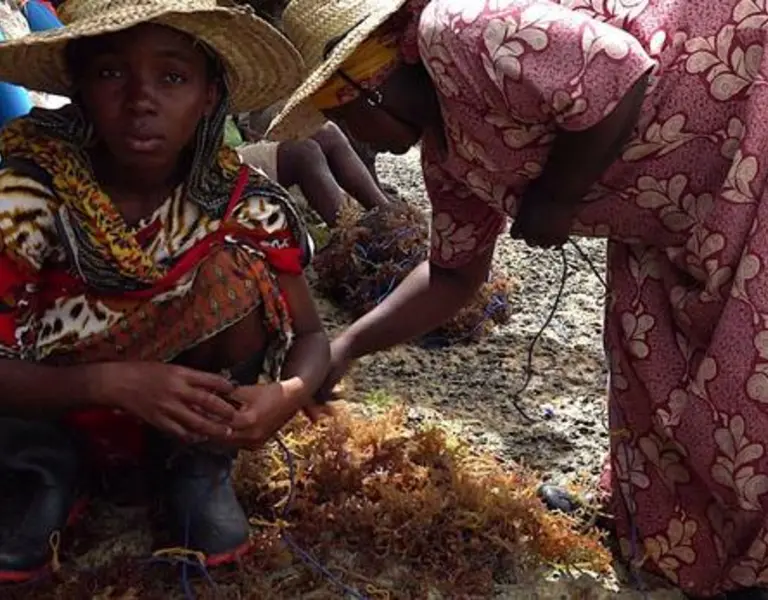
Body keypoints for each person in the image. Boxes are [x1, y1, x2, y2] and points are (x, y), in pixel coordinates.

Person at [265, 0, 768, 597]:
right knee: (646, 356)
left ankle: (751, 568)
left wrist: (557, 195)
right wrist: (347, 347)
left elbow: (619, 69)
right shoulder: (449, 157)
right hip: (666, 212)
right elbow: (453, 275)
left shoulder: (456, 27)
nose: (351, 135)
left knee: (744, 380)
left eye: (341, 117)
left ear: (363, 84)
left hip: (742, 131)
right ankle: (662, 533)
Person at [0, 0, 330, 584]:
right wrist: (112, 381)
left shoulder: (242, 202)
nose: (140, 100)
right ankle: (44, 470)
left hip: (176, 418)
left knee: (238, 269)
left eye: (173, 77)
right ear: (78, 85)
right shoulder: (27, 190)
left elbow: (309, 336)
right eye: (110, 73)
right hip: (43, 406)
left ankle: (196, 471)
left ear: (209, 97)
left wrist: (286, 395)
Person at [238, 120, 391, 226]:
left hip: (237, 147)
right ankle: (354, 239)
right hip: (222, 162)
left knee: (327, 131)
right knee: (304, 153)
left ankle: (390, 216)